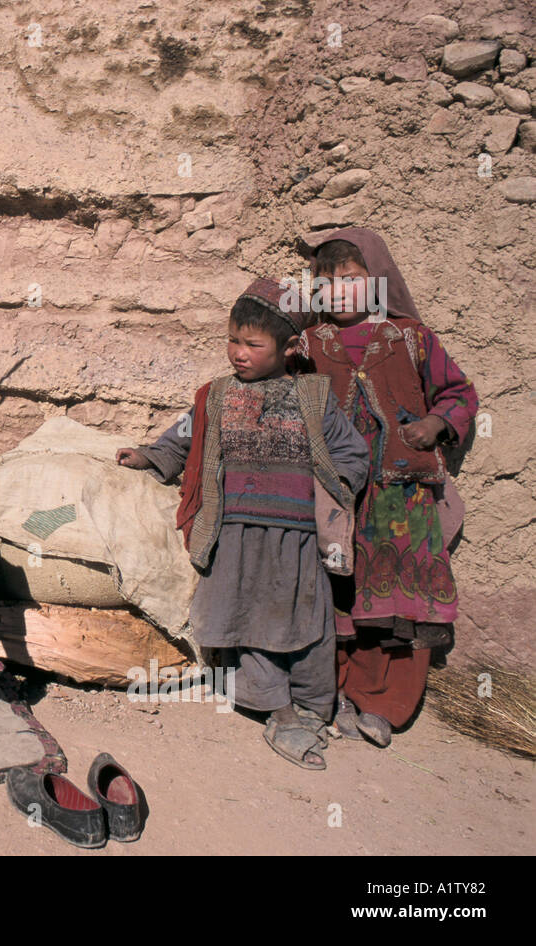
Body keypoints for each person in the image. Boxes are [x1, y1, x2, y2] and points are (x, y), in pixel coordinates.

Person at [117, 278, 369, 770]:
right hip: (234, 534)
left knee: (306, 622)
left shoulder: (314, 398)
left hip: (297, 537)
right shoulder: (215, 397)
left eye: (253, 344)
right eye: (233, 340)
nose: (239, 353)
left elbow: (351, 453)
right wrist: (149, 456)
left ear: (290, 347)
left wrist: (330, 487)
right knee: (244, 620)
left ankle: (318, 705)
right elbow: (182, 441)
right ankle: (279, 711)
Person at [298, 228, 477, 748]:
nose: (338, 292)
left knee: (400, 600)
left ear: (376, 281)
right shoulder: (309, 343)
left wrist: (437, 425)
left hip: (401, 496)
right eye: (326, 282)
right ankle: (326, 693)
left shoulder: (411, 336)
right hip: (333, 492)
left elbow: (459, 392)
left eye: (351, 280)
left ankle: (384, 706)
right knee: (332, 591)